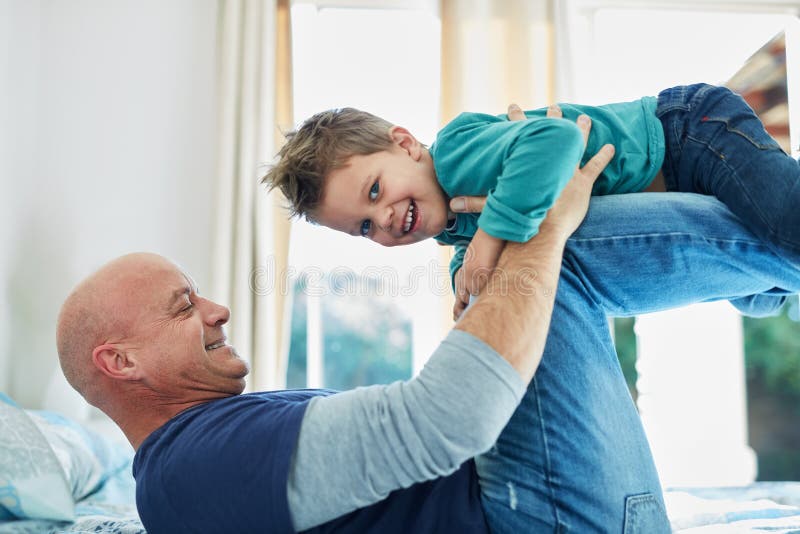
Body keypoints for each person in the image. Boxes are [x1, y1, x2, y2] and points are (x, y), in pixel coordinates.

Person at [56, 140, 800, 531]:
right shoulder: (192, 467)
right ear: (118, 361)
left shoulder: (210, 445)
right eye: (184, 306)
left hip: (557, 507)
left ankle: (771, 278)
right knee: (543, 245)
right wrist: (540, 234)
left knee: (509, 247)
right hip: (552, 518)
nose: (217, 309)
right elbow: (448, 419)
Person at [262, 84, 800, 318]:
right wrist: (466, 288)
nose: (383, 219)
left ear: (405, 144)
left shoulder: (453, 154)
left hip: (688, 135)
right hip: (684, 182)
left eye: (375, 191)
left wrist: (490, 240)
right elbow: (467, 254)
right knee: (760, 294)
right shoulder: (454, 223)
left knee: (787, 225)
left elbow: (557, 140)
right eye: (362, 228)